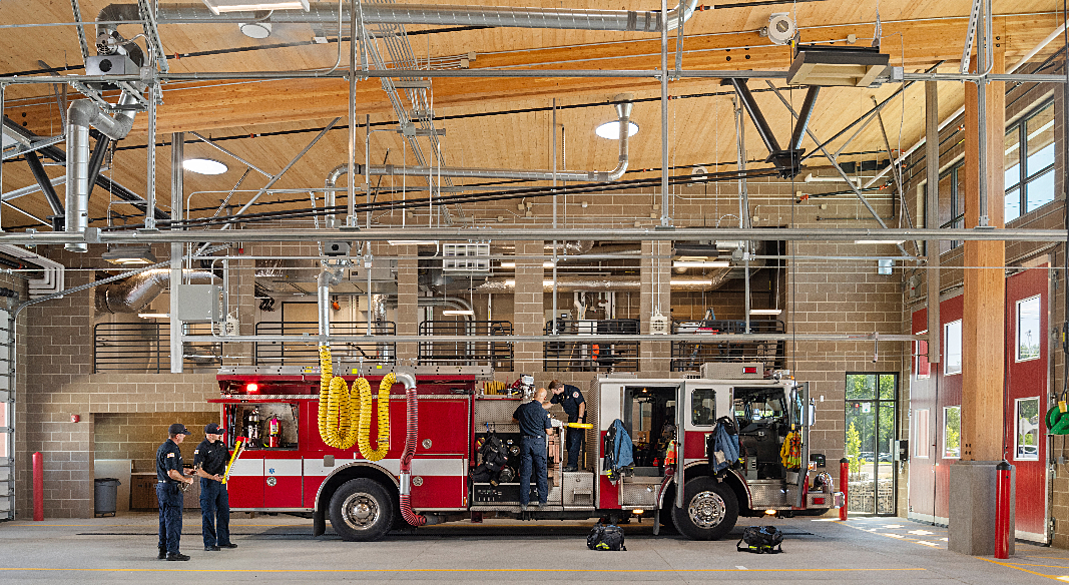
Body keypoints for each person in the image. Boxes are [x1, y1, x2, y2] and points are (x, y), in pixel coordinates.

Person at [193, 423, 238, 552]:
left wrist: (238, 452)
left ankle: (223, 540)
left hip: (221, 483)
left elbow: (228, 461)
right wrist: (213, 477)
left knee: (223, 512)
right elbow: (198, 470)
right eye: (219, 433)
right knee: (208, 513)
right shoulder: (201, 448)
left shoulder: (221, 445)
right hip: (209, 484)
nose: (221, 435)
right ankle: (209, 543)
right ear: (210, 434)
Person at [156, 423, 195, 561]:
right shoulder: (171, 449)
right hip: (170, 489)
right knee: (173, 521)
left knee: (164, 520)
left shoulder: (163, 447)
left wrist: (185, 470)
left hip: (163, 488)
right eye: (183, 434)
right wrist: (185, 479)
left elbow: (173, 467)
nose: (184, 437)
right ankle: (173, 552)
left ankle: (163, 550)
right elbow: (172, 472)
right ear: (177, 436)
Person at [512, 388, 553, 511]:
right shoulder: (543, 412)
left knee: (525, 474)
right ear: (544, 398)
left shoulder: (522, 408)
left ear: (534, 395)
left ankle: (524, 503)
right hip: (538, 443)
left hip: (525, 442)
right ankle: (542, 502)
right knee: (541, 472)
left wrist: (524, 422)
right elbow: (549, 432)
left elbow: (513, 419)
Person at [549, 379, 586, 472]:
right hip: (571, 418)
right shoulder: (559, 395)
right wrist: (537, 405)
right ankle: (571, 464)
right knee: (569, 441)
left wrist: (580, 419)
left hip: (578, 417)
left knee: (574, 441)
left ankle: (572, 465)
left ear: (559, 388)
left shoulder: (573, 391)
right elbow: (549, 404)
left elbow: (582, 404)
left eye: (553, 391)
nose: (553, 393)